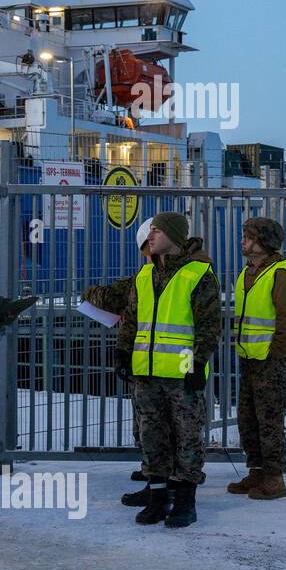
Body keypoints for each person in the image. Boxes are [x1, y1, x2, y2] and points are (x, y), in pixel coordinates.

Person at [115, 212, 222, 528]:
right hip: (146, 375)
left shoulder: (198, 275)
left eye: (158, 231)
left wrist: (195, 365)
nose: (151, 236)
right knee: (153, 438)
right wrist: (122, 353)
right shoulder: (144, 276)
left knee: (187, 439)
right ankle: (158, 500)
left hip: (180, 375)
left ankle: (185, 504)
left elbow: (208, 325)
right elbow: (132, 319)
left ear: (174, 237)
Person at [226, 217, 286, 500]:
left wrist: (275, 355)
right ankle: (257, 471)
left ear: (265, 242)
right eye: (244, 236)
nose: (243, 241)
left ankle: (274, 478)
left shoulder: (283, 276)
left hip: (269, 363)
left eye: (249, 237)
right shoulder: (247, 273)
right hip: (249, 359)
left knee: (270, 421)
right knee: (248, 419)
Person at [82, 218, 155, 503]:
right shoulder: (175, 276)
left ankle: (156, 473)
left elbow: (108, 297)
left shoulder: (142, 280)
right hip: (155, 358)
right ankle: (154, 469)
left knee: (150, 421)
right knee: (152, 420)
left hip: (150, 358)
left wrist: (88, 291)